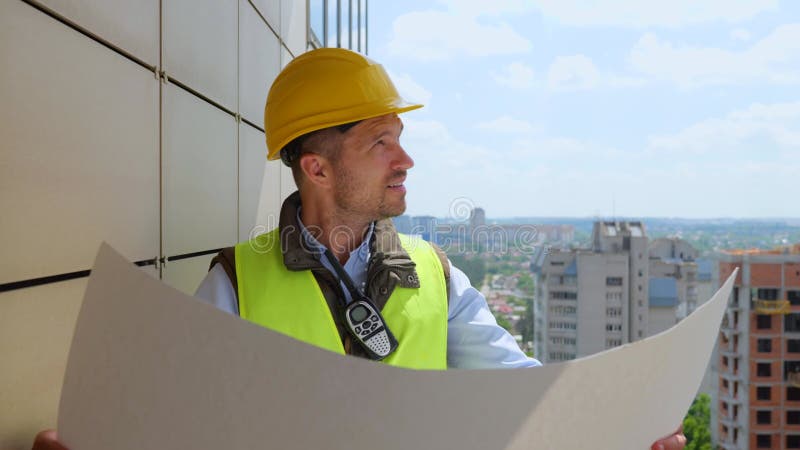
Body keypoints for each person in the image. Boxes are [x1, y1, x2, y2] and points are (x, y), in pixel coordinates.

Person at [32, 48, 685, 450]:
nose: (406, 159)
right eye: (380, 142)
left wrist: (625, 431)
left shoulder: (436, 276)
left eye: (399, 137)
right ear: (316, 168)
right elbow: (172, 424)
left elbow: (525, 392)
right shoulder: (235, 283)